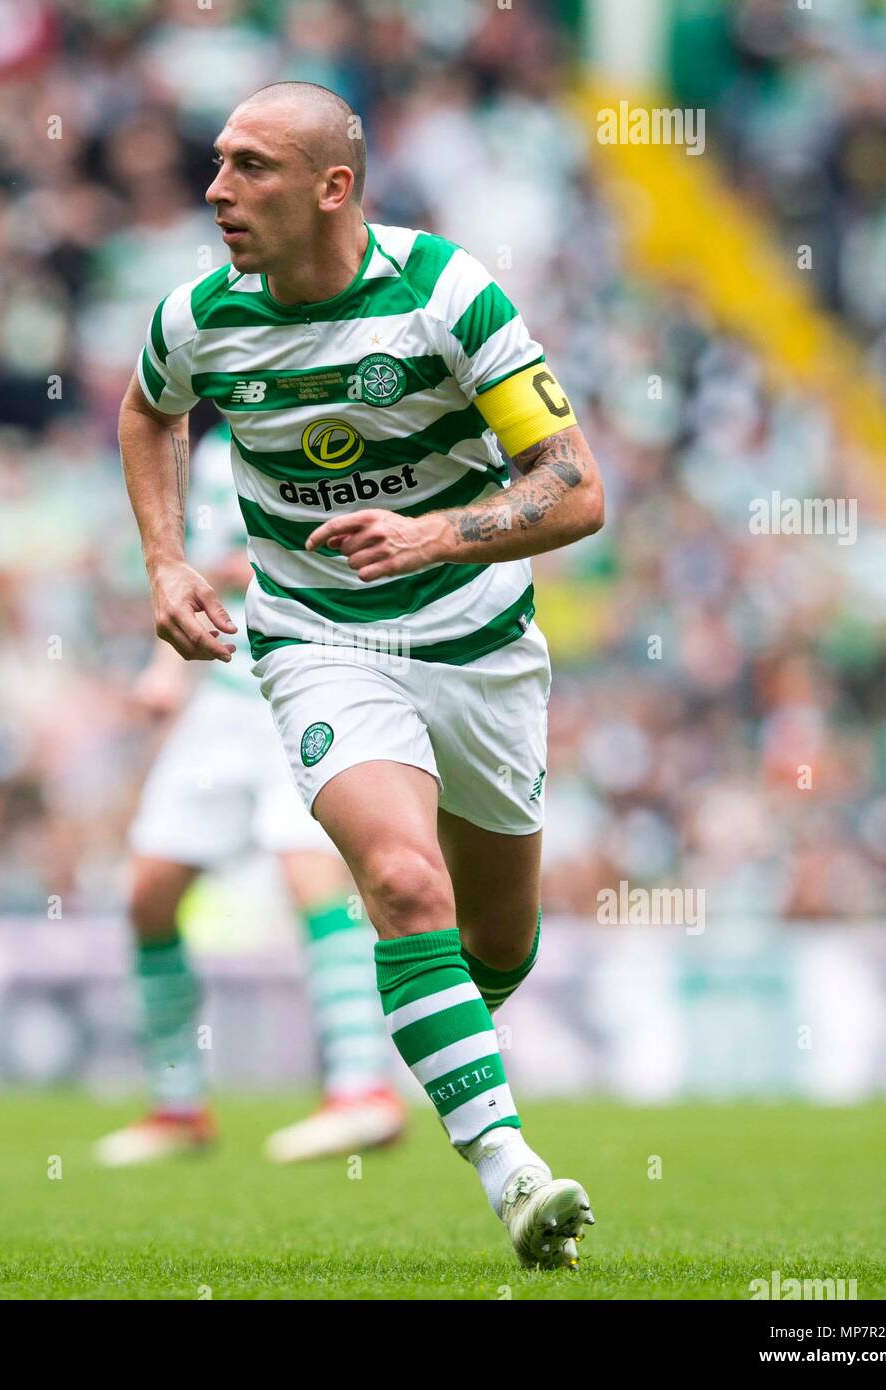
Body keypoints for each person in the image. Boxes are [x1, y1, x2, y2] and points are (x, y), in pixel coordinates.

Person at [119, 81, 605, 1270]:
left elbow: (575, 485)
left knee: (497, 948)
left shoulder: (448, 295)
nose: (216, 189)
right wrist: (168, 562)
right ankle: (512, 1170)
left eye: (251, 168)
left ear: (334, 187)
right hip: (319, 642)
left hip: (480, 645)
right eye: (219, 163)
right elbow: (146, 413)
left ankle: (430, 1023)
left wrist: (437, 534)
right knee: (396, 877)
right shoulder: (198, 316)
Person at [96, 421, 405, 1167]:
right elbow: (198, 575)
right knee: (148, 893)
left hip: (310, 686)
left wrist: (261, 565)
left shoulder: (338, 434)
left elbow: (358, 557)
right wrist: (167, 673)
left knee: (311, 879)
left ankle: (363, 1091)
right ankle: (178, 1106)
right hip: (227, 702)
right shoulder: (209, 455)